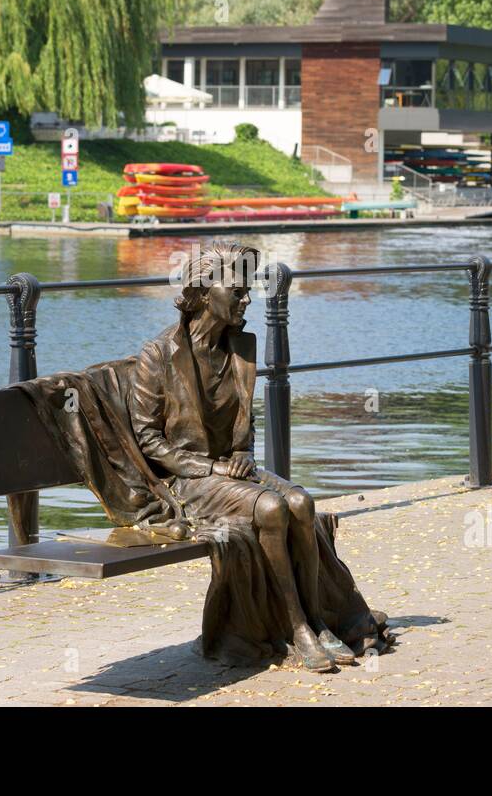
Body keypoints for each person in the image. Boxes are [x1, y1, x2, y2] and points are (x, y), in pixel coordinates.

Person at [128, 240, 389, 672]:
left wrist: (243, 454)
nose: (247, 299)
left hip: (230, 473)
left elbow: (243, 427)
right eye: (237, 290)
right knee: (270, 507)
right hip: (187, 481)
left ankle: (319, 620)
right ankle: (297, 627)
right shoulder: (159, 355)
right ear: (203, 292)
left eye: (248, 290)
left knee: (302, 502)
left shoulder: (240, 348)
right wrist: (212, 466)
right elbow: (148, 439)